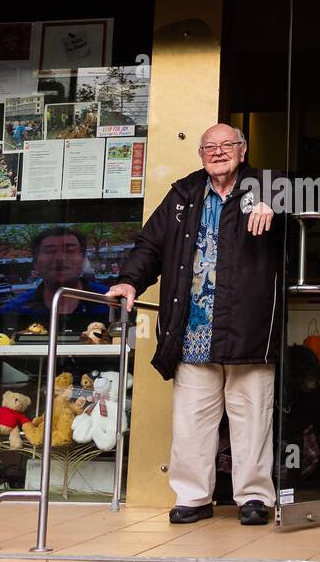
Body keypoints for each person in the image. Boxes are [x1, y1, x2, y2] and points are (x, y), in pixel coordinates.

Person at [107, 123, 281, 525]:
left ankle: (254, 497)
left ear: (243, 149)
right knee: (192, 419)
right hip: (193, 326)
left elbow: (314, 200)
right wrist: (130, 280)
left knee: (252, 414)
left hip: (249, 327)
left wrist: (273, 202)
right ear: (201, 154)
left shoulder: (269, 185)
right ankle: (193, 497)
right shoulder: (184, 194)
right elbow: (150, 245)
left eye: (227, 145)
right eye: (210, 147)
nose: (218, 152)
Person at [0, 226, 109, 323]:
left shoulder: (111, 302)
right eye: (50, 251)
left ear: (83, 258)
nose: (60, 258)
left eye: (70, 250)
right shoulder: (15, 310)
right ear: (35, 262)